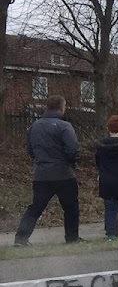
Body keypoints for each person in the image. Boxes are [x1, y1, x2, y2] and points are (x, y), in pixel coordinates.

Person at [14, 95, 81, 246]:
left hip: (41, 174)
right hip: (64, 174)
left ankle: (21, 238)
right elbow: (72, 149)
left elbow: (30, 151)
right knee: (71, 208)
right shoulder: (65, 126)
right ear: (61, 108)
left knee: (35, 207)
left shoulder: (34, 127)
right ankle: (72, 238)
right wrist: (71, 162)